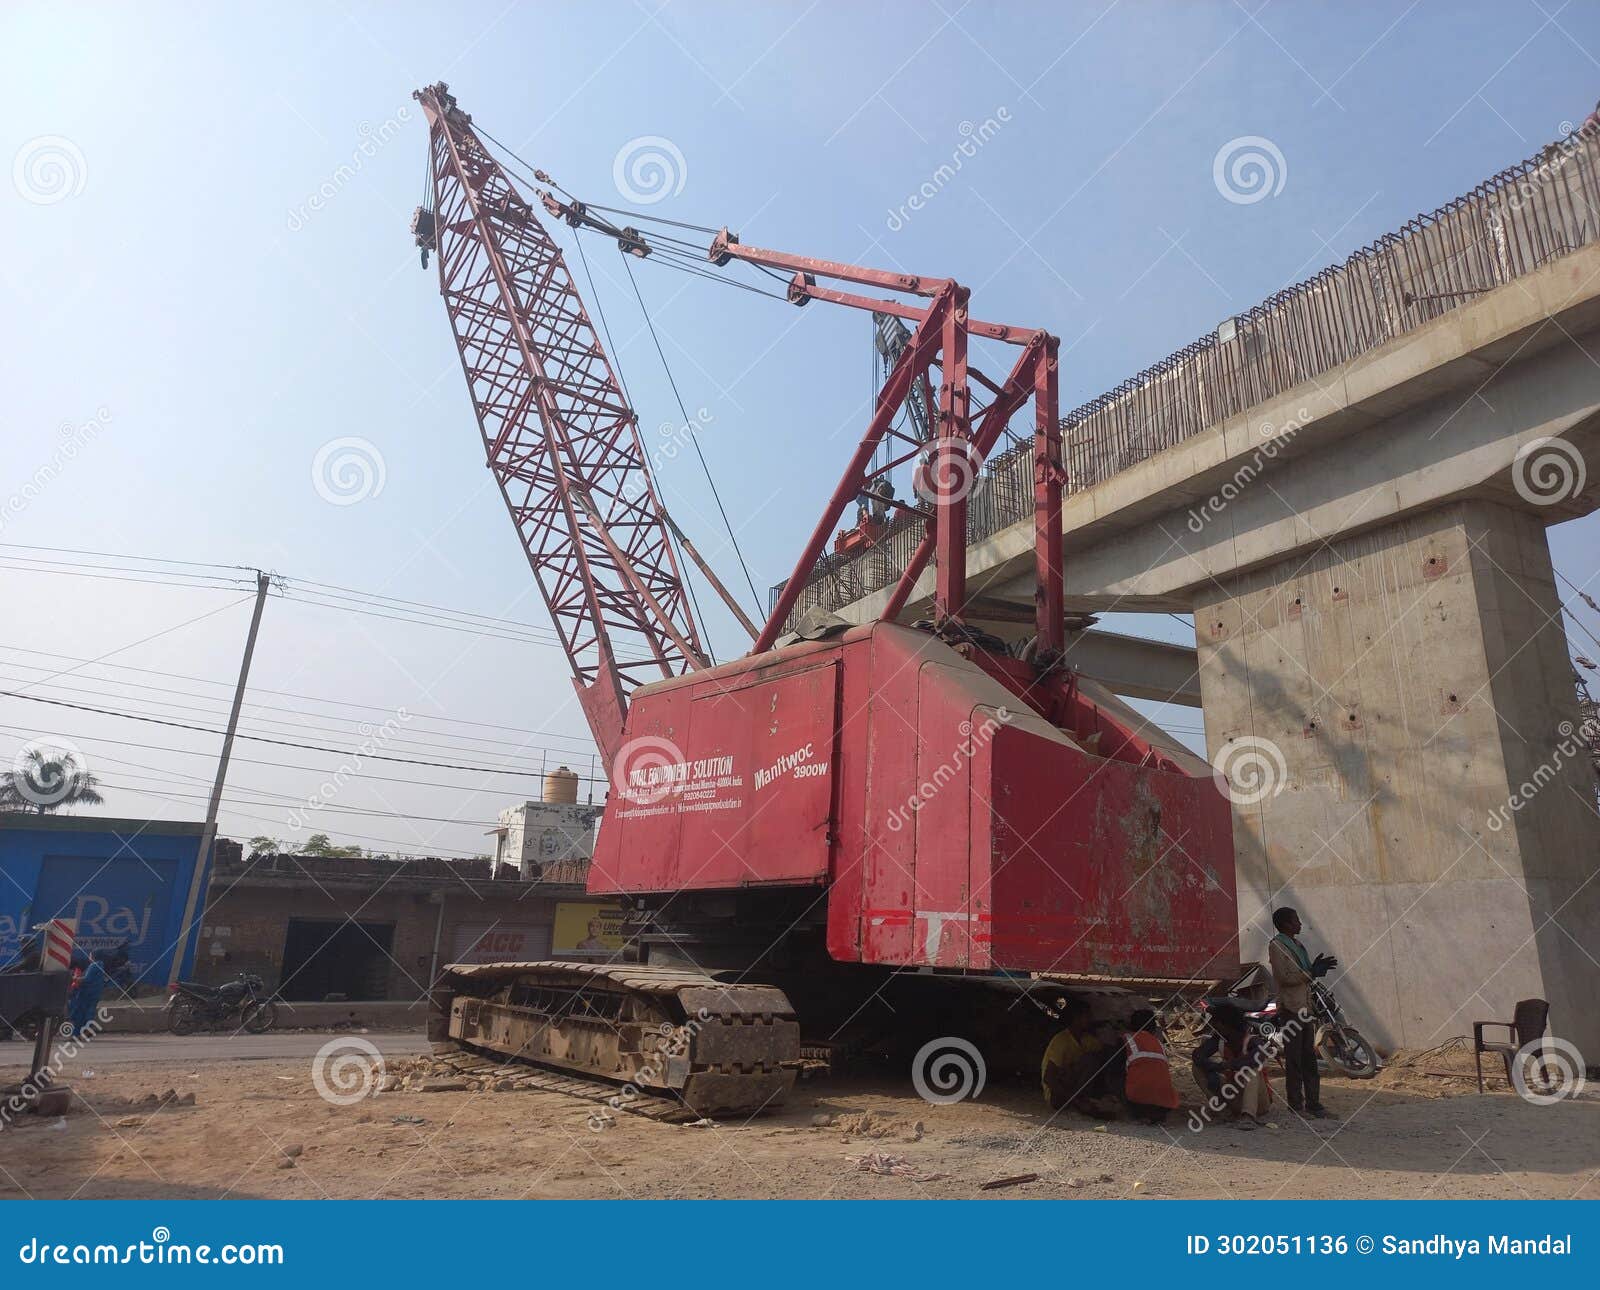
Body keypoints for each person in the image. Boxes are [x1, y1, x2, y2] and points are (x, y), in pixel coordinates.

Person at [1268, 906, 1338, 1119]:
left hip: (1305, 1007)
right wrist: (1310, 973)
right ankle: (1296, 1106)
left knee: (1309, 1057)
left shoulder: (1297, 945)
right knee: (1295, 1058)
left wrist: (1315, 969)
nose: (1299, 924)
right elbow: (1285, 978)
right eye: (1295, 920)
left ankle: (1314, 1104)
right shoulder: (1277, 946)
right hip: (1291, 1007)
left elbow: (1304, 973)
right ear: (1286, 924)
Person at [1192, 1004, 1273, 1124]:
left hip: (1259, 1102)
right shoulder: (1220, 1039)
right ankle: (1223, 1111)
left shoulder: (1253, 1041)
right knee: (1197, 1068)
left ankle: (1248, 1115)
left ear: (1226, 1024)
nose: (1213, 1025)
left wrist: (1227, 1065)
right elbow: (1197, 1056)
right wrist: (1212, 1068)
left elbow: (1252, 1061)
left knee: (1251, 1070)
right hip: (1233, 1095)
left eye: (1216, 1022)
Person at [1040, 998, 1120, 1117]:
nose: (1090, 1019)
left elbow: (1106, 1054)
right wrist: (1077, 1102)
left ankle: (1090, 1101)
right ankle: (1081, 1102)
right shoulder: (1061, 1040)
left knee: (1101, 1056)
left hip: (1074, 1090)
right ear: (1076, 1018)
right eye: (1087, 1016)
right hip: (1057, 1095)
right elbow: (1049, 1078)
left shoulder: (1087, 1039)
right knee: (1089, 1060)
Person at [1121, 1008, 1180, 1124]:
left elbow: (1115, 1068)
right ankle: (1156, 1115)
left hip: (1138, 1098)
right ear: (1153, 1027)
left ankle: (1134, 1112)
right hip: (1166, 1104)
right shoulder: (1158, 1043)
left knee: (1115, 1075)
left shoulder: (1126, 1039)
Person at [65, 951, 107, 1037]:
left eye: (90, 955)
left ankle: (76, 1034)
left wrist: (74, 979)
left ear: (94, 956)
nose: (89, 957)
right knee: (88, 1012)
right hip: (95, 993)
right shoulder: (100, 966)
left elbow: (87, 979)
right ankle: (87, 1028)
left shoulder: (93, 966)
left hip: (86, 993)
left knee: (79, 1013)